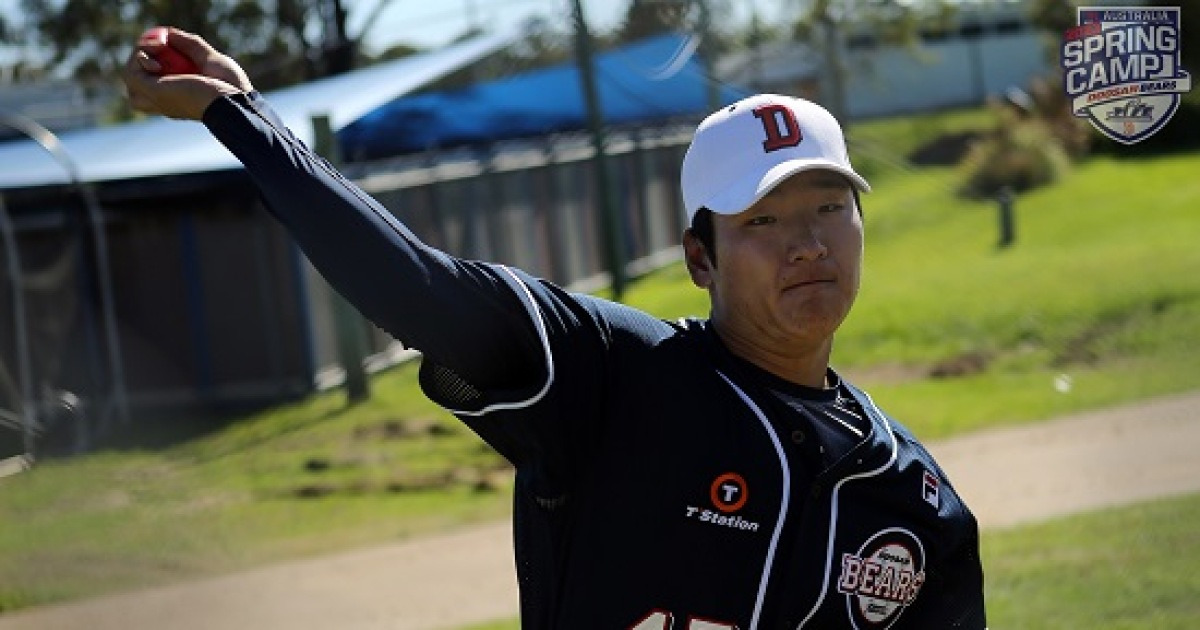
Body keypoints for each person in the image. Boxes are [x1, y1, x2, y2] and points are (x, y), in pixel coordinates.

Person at [124, 29, 986, 629]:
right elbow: (410, 286)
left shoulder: (917, 499)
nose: (807, 244)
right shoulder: (610, 377)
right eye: (761, 222)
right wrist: (240, 114)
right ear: (700, 257)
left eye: (830, 208)